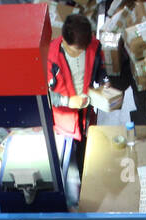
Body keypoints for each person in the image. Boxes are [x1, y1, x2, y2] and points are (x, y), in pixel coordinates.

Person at [48, 13, 106, 169]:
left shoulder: (93, 45)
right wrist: (68, 101)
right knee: (69, 165)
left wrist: (104, 83)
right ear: (64, 41)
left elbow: (100, 68)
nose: (80, 53)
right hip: (64, 122)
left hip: (86, 111)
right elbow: (44, 96)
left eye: (83, 50)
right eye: (76, 51)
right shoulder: (50, 57)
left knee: (86, 154)